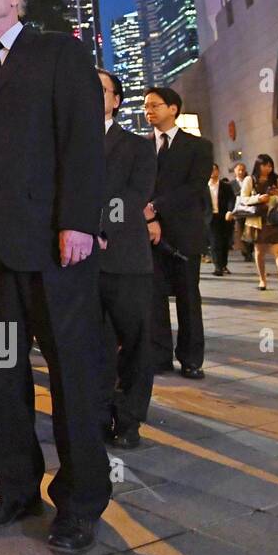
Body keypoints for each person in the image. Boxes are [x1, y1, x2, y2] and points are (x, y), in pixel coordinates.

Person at [0, 0, 110, 553]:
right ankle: (14, 488)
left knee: (72, 374)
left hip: (54, 245)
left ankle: (81, 501)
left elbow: (83, 141)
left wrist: (78, 221)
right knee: (1, 375)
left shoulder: (59, 53)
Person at [96, 70, 157, 450]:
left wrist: (99, 229)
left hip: (125, 259)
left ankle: (130, 418)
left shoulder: (137, 146)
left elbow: (134, 196)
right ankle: (100, 413)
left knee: (135, 342)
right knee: (94, 344)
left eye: (101, 89)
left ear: (116, 100)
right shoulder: (65, 144)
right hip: (80, 262)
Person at [143, 87, 214, 380]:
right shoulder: (141, 147)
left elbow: (194, 187)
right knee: (153, 297)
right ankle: (159, 356)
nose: (149, 111)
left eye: (155, 105)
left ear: (173, 108)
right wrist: (147, 217)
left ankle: (191, 358)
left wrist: (154, 207)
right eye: (146, 106)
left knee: (188, 297)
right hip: (148, 234)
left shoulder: (199, 146)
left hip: (184, 233)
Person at [240, 154, 278, 292]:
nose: (268, 168)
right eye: (265, 165)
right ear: (258, 165)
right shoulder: (250, 179)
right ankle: (262, 279)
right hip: (258, 220)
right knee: (259, 251)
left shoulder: (275, 179)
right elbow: (243, 199)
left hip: (274, 218)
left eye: (270, 166)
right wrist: (259, 198)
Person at [207, 163, 237, 276]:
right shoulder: (203, 187)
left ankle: (223, 265)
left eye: (214, 169)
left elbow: (231, 199)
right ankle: (218, 267)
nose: (212, 172)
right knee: (215, 242)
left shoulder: (226, 186)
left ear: (218, 171)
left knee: (224, 242)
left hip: (224, 217)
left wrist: (230, 211)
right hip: (210, 218)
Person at [231, 163, 255, 262]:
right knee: (240, 231)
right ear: (235, 171)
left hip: (249, 210)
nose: (241, 172)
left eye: (242, 170)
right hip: (238, 211)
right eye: (239, 170)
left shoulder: (249, 181)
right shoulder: (231, 184)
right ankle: (246, 252)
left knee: (250, 231)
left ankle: (250, 250)